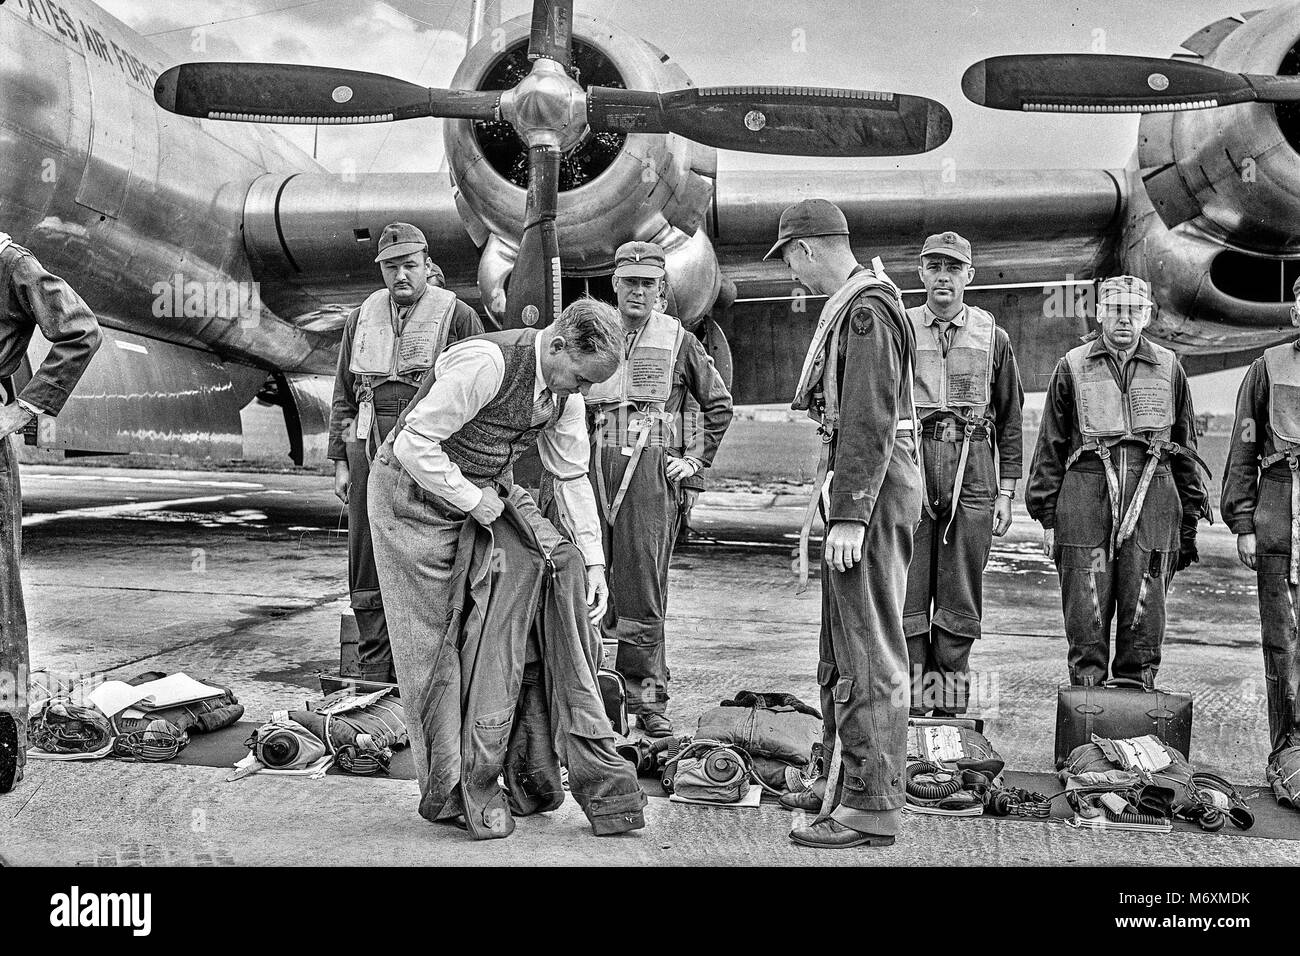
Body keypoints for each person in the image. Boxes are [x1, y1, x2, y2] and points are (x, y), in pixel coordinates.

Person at [366, 296, 647, 837]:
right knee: (431, 646)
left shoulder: (565, 393)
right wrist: (473, 500)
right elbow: (412, 442)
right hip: (411, 501)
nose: (581, 394)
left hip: (479, 495)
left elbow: (571, 476)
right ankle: (446, 789)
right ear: (559, 344)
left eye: (591, 387)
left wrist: (592, 562)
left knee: (501, 628)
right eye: (580, 380)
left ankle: (510, 767)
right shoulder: (487, 363)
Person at [766, 199, 922, 849]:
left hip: (872, 495)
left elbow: (869, 417)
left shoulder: (865, 311)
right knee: (841, 648)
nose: (795, 279)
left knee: (868, 651)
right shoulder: (864, 304)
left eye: (791, 263)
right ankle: (838, 777)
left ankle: (870, 806)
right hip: (862, 490)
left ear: (807, 249)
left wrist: (851, 513)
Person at [582, 241, 733, 737]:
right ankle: (589, 698)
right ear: (615, 285)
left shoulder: (679, 340)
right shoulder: (591, 333)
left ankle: (648, 701)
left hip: (647, 470)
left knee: (643, 593)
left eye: (648, 283)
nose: (637, 292)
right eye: (629, 282)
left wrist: (694, 461)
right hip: (591, 460)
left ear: (660, 289)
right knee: (583, 583)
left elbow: (715, 405)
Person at [1027, 275, 1208, 688]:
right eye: (1116, 309)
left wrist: (1189, 521)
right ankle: (1087, 714)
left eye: (1133, 310)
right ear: (1099, 312)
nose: (1124, 319)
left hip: (1154, 500)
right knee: (1085, 616)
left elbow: (1185, 445)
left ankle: (1137, 714)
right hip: (1085, 500)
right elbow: (1050, 447)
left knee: (1144, 616)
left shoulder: (1170, 367)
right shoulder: (1071, 365)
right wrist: (1049, 520)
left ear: (1146, 316)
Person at [327, 222, 482, 683]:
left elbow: (476, 393)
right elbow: (343, 393)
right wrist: (340, 460)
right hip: (368, 440)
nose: (400, 276)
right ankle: (375, 668)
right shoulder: (359, 319)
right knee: (367, 551)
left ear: (426, 265)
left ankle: (429, 665)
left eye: (409, 266)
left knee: (428, 546)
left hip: (429, 443)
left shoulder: (457, 316)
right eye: (391, 268)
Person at [903, 232, 1023, 716]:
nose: (943, 277)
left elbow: (1011, 416)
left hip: (972, 464)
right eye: (934, 267)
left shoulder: (993, 336)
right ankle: (909, 708)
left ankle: (947, 712)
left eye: (953, 268)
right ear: (921, 272)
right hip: (913, 458)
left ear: (969, 276)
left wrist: (1006, 490)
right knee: (908, 594)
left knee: (958, 597)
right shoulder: (902, 327)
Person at [0, 232, 103, 794]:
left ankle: (3, 739)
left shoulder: (9, 263)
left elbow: (80, 330)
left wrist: (26, 407)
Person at [1222, 276, 1300, 799]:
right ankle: (1289, 749)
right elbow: (1243, 445)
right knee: (1284, 640)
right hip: (1279, 507)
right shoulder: (1267, 368)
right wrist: (1244, 522)